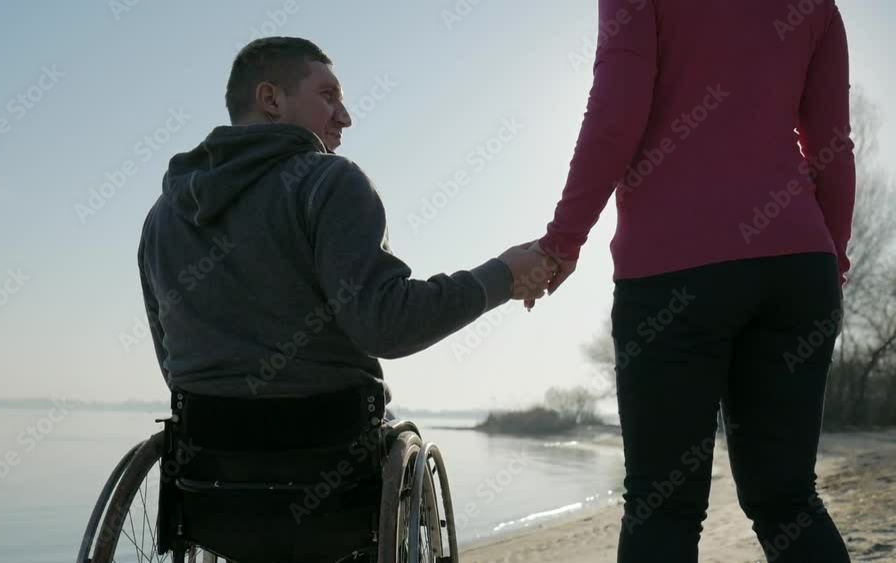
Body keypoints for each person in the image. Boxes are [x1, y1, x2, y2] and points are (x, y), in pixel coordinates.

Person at [530, 1, 855, 561]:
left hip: (673, 272)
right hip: (798, 268)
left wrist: (563, 241)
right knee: (788, 501)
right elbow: (833, 145)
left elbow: (617, 111)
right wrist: (831, 263)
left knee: (663, 510)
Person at [137, 37, 554, 414]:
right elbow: (387, 326)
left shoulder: (162, 215)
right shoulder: (329, 182)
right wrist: (504, 276)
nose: (346, 117)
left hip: (204, 454)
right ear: (272, 99)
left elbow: (171, 364)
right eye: (328, 95)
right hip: (328, 442)